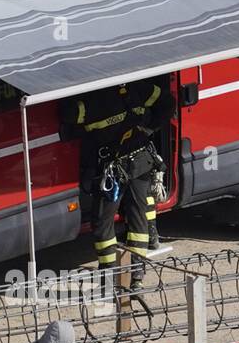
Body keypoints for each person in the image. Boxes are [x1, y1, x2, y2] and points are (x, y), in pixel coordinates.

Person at [64, 77, 174, 287]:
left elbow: (69, 115)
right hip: (140, 162)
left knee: (102, 222)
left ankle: (108, 275)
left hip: (112, 170)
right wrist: (149, 128)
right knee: (138, 218)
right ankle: (137, 276)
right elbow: (167, 102)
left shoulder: (92, 100)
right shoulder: (137, 88)